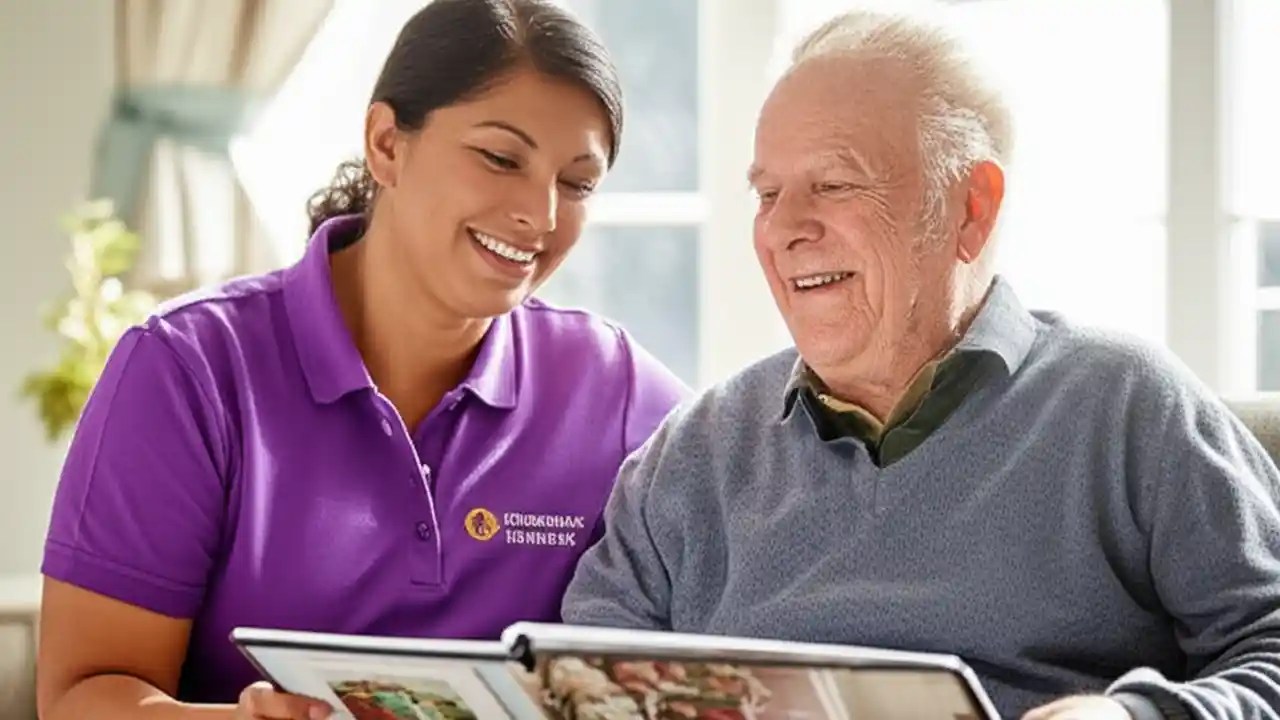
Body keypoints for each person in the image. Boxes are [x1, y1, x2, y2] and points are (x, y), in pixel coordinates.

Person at [561, 6, 1280, 720]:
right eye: (768, 193)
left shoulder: (1128, 407)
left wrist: (1134, 718)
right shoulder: (693, 456)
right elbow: (574, 687)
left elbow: (1269, 647)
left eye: (836, 184)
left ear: (972, 207)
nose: (782, 229)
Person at [36, 1, 687, 718]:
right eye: (501, 158)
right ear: (386, 144)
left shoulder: (617, 389)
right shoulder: (187, 369)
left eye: (577, 183)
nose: (542, 213)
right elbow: (80, 696)